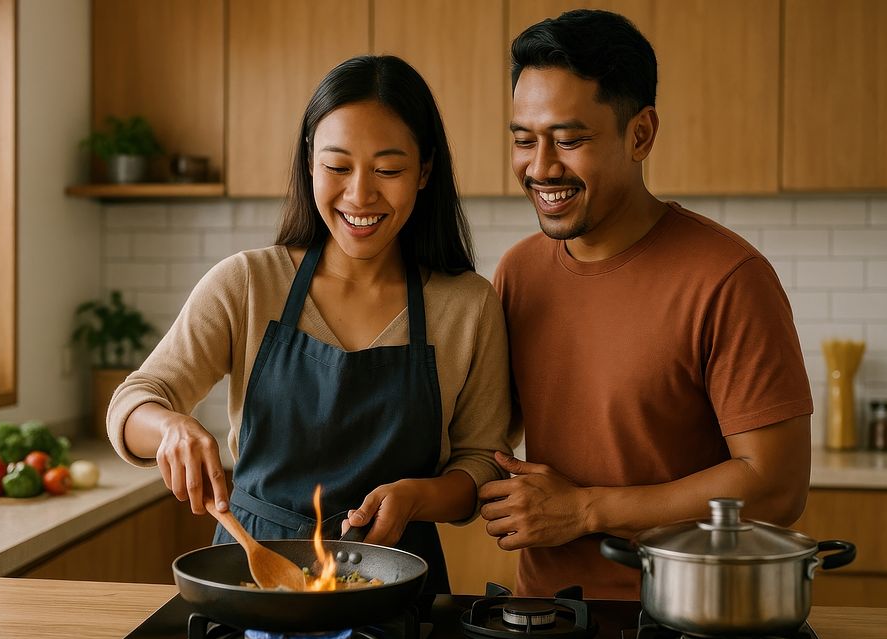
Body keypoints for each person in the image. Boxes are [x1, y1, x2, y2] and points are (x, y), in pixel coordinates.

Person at [108, 54, 517, 594]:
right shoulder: (248, 283)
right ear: (308, 163)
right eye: (338, 166)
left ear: (425, 172)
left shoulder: (468, 305)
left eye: (388, 170)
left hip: (394, 580)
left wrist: (419, 497)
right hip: (255, 576)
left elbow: (481, 465)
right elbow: (134, 400)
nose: (360, 195)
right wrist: (170, 428)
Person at [479, 9, 813, 599]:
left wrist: (585, 511)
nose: (540, 167)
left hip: (684, 625)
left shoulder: (729, 278)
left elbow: (778, 486)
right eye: (524, 140)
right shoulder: (519, 272)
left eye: (570, 139)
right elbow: (483, 438)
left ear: (641, 134)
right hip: (544, 625)